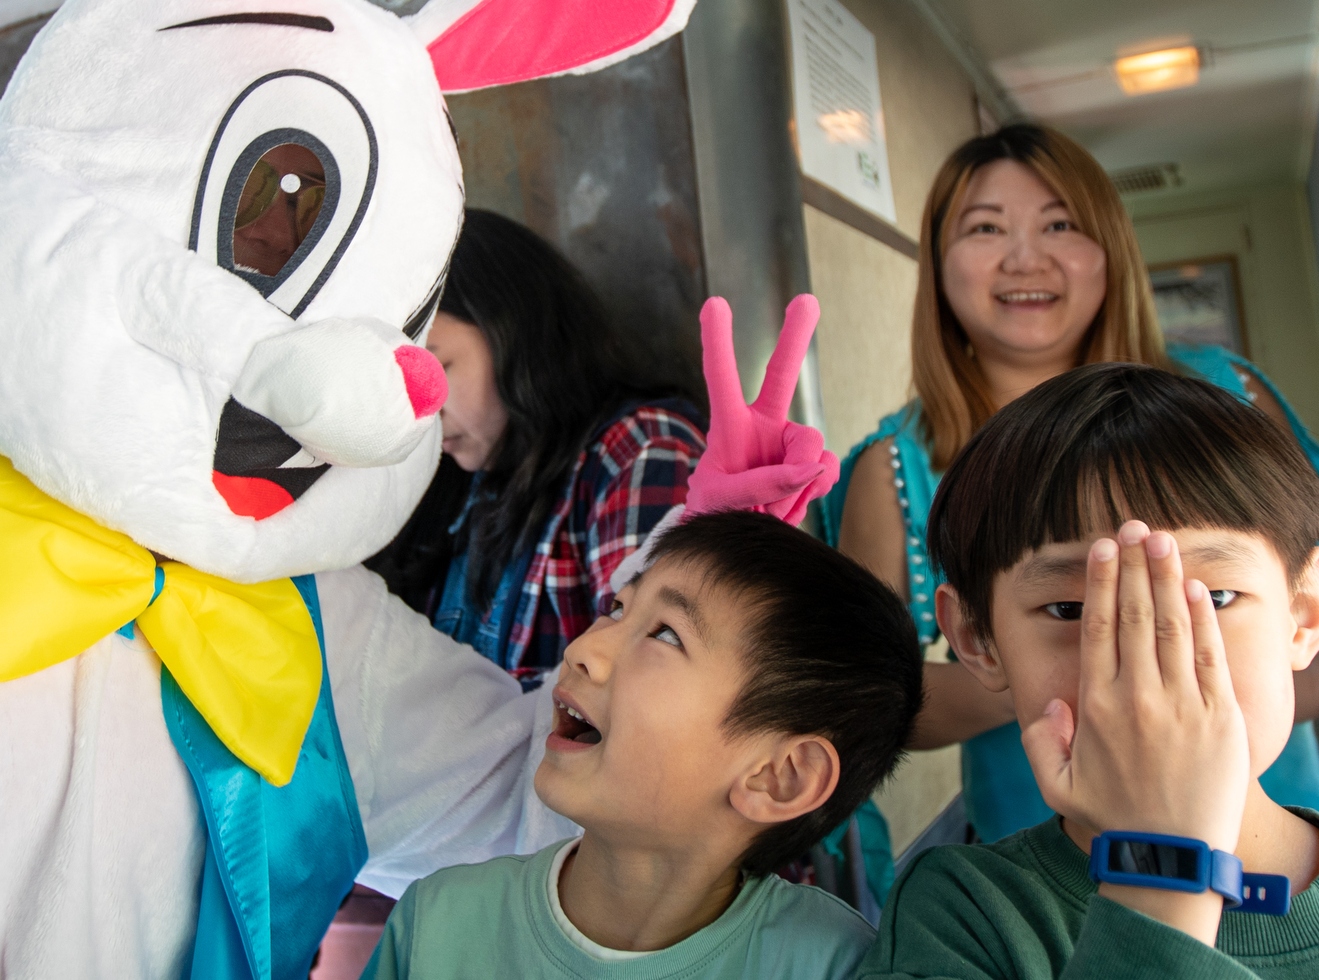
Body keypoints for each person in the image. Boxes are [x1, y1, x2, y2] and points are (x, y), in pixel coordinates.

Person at [858, 364, 1319, 979]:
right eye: (1071, 609)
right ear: (978, 639)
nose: (1148, 656)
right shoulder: (961, 921)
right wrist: (1163, 871)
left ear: (1305, 613)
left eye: (1213, 596)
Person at [819, 124, 1319, 846]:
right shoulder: (894, 467)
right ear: (938, 265)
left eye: (1060, 223)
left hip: (1273, 837)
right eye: (985, 228)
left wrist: (1262, 693)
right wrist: (1070, 678)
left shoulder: (1228, 394)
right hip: (1039, 867)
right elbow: (861, 689)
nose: (1023, 256)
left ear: (1110, 250)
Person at [360, 511, 922, 980]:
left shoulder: (837, 967)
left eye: (665, 634)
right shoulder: (436, 923)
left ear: (779, 777)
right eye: (617, 609)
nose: (585, 649)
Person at [367, 209, 706, 689]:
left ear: (512, 328)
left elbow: (640, 687)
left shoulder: (641, 450)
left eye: (437, 365)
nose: (419, 412)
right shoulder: (457, 480)